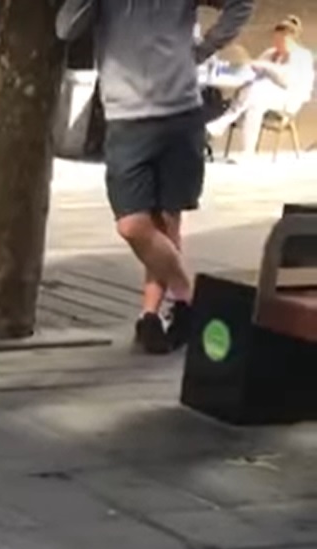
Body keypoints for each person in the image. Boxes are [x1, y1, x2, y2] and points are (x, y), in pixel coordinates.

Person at [57, 0, 252, 354]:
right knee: (132, 225)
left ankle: (150, 317)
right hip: (125, 118)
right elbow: (66, 28)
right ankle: (189, 299)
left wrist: (205, 47)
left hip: (180, 113)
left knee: (168, 223)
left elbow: (240, 4)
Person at [208, 16, 313, 156]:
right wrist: (250, 66)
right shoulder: (271, 53)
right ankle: (248, 151)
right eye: (275, 40)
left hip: (289, 98)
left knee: (257, 90)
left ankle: (222, 123)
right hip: (264, 96)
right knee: (255, 100)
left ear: (291, 39)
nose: (277, 44)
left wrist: (266, 67)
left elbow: (287, 81)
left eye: (281, 40)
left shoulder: (302, 57)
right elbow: (253, 69)